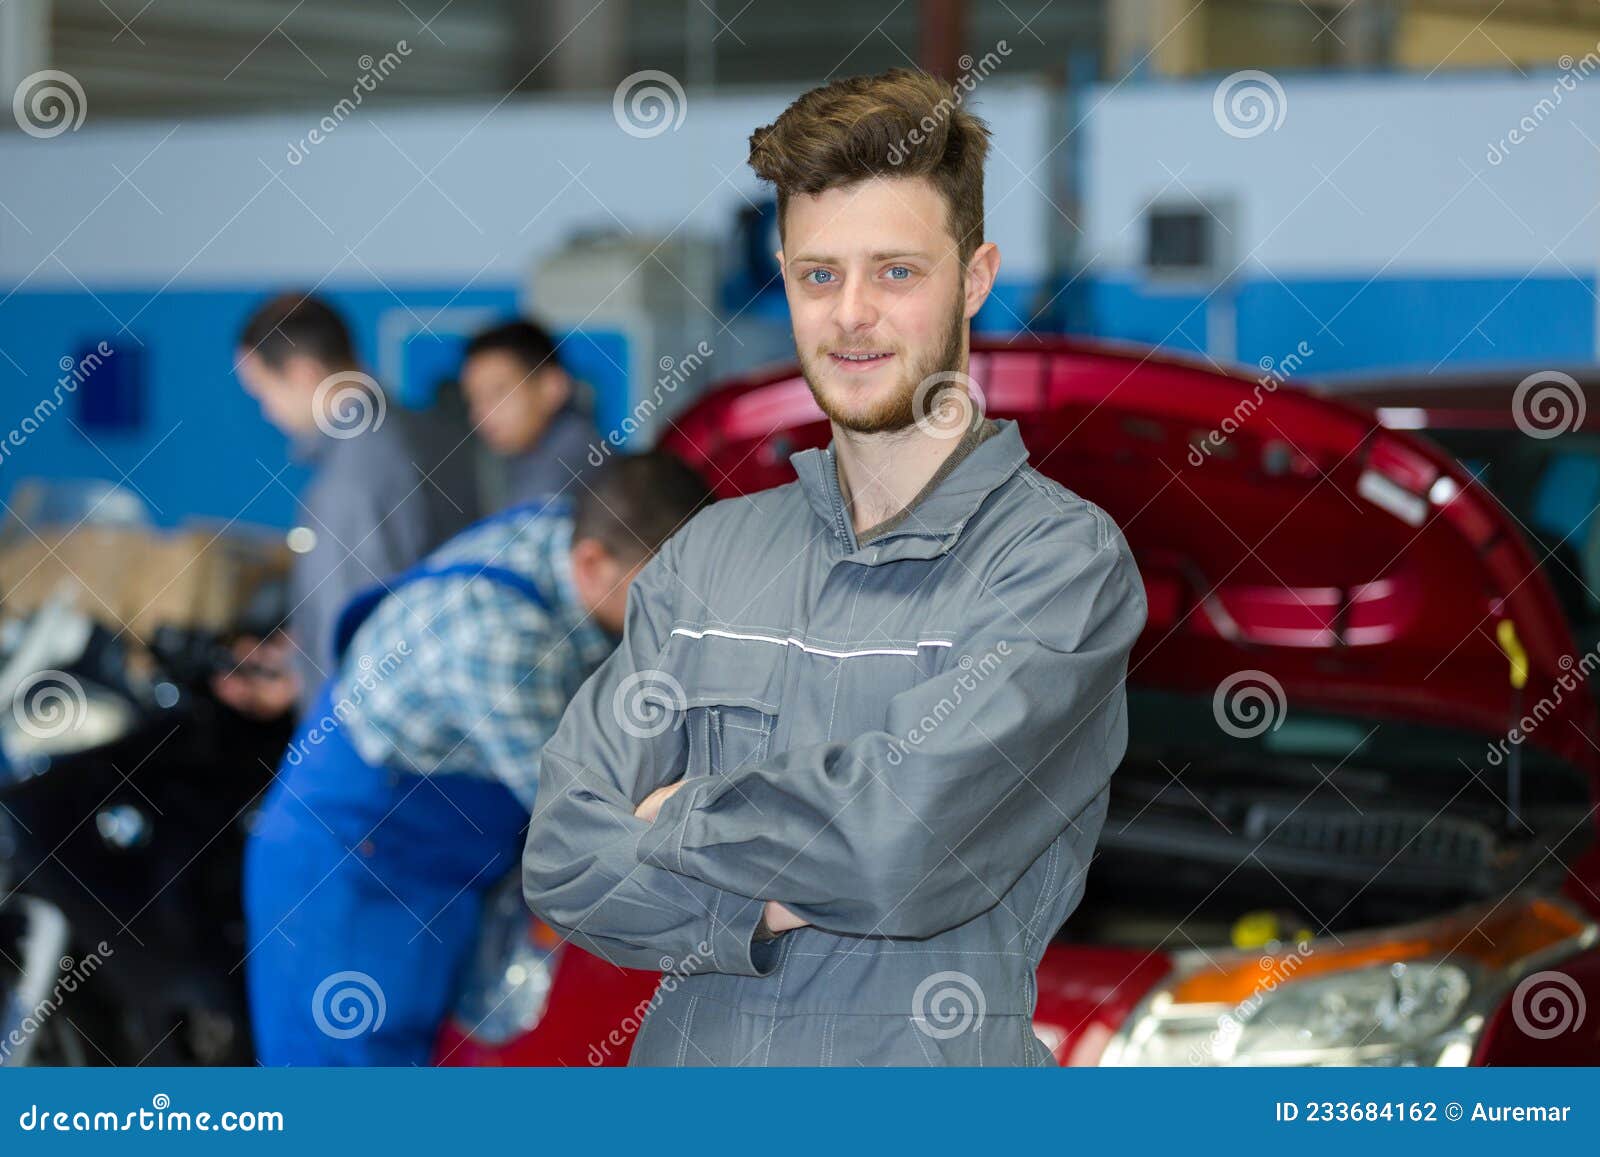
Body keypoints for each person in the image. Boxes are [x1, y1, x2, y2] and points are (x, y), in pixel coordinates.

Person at [522, 69, 1149, 1067]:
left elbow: (903, 847)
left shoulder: (1059, 567)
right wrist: (774, 890)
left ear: (975, 277)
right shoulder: (709, 557)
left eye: (895, 272)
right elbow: (561, 852)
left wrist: (671, 818)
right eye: (819, 274)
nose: (851, 313)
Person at [242, 451, 713, 1066]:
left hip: (434, 867)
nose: (681, 618)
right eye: (665, 595)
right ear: (593, 563)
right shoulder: (503, 641)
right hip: (348, 872)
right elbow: (585, 815)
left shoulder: (566, 535)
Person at [232, 293, 478, 702]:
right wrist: (298, 661)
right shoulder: (414, 433)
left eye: (263, 391)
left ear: (303, 373)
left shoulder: (357, 475)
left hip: (368, 735)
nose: (266, 411)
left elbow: (361, 642)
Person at [459, 319, 601, 510]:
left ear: (552, 386)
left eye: (498, 393)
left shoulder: (568, 464)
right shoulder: (518, 459)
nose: (481, 414)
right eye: (474, 400)